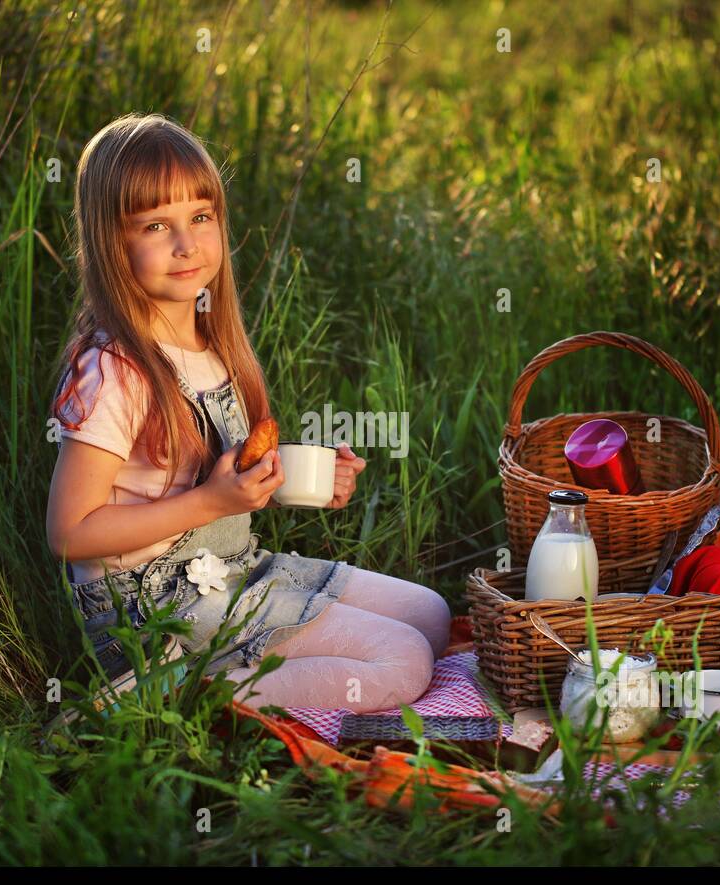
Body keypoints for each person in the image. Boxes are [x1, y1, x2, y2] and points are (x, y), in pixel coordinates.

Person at [45, 113, 451, 713]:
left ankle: (271, 670)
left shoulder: (214, 349)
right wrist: (211, 502)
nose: (187, 245)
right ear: (112, 241)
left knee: (431, 616)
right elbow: (70, 534)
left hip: (233, 567)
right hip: (155, 609)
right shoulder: (117, 371)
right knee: (403, 659)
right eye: (156, 225)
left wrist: (297, 481)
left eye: (201, 217)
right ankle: (171, 696)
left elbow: (221, 477)